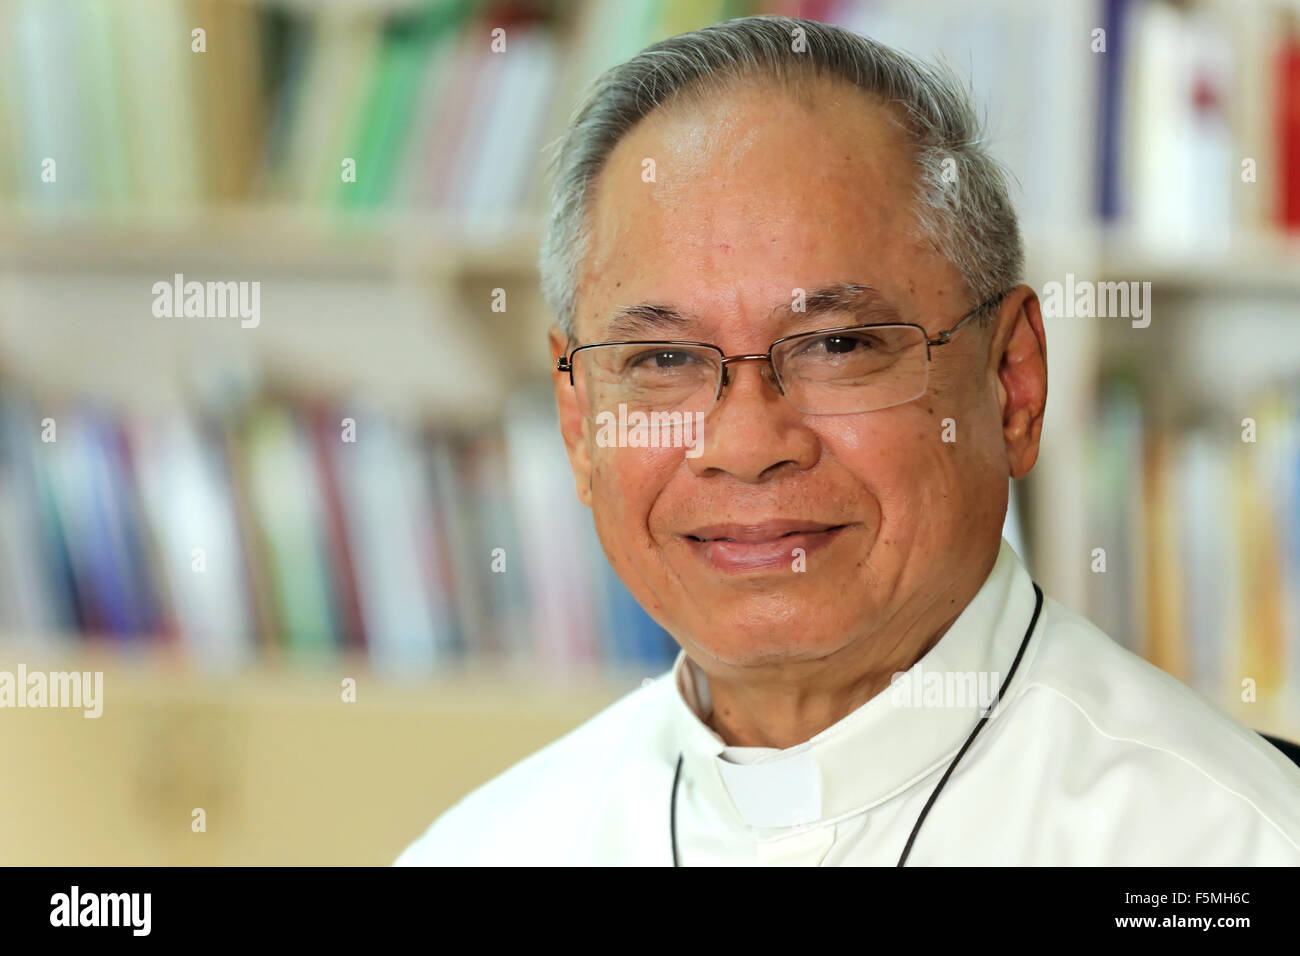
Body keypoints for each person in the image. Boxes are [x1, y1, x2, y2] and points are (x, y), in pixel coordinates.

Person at [395, 16, 1300, 865]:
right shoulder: (484, 849)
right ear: (579, 418)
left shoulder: (1226, 844)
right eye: (663, 356)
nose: (747, 444)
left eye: (838, 346)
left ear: (1011, 384)